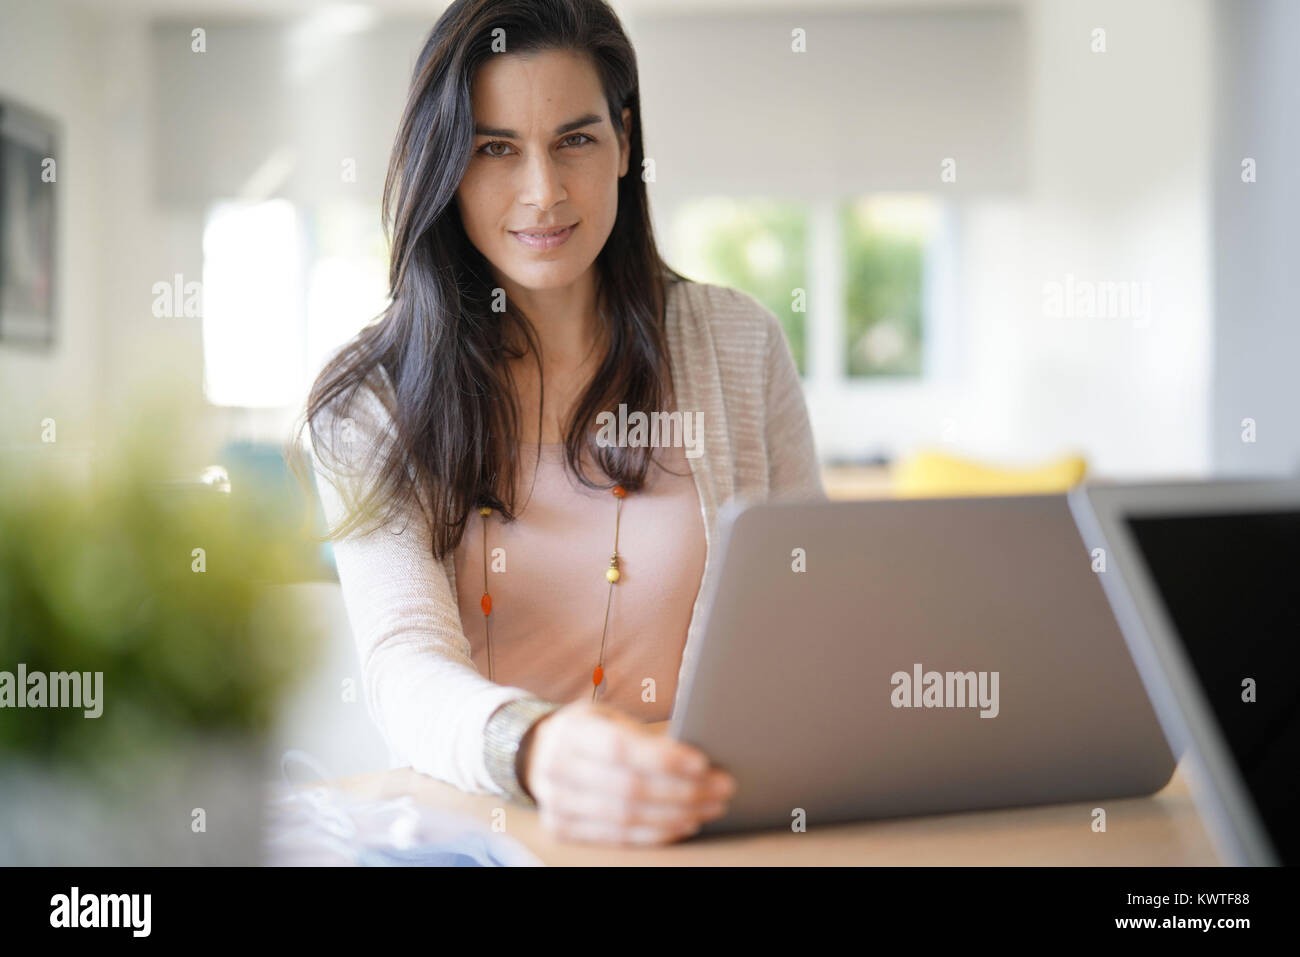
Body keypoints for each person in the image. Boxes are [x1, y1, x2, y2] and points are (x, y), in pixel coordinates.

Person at [296, 0, 824, 847]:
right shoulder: (370, 399)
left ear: (622, 141)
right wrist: (536, 745)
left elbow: (808, 612)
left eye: (574, 139)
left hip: (700, 828)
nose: (543, 193)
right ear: (446, 165)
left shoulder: (738, 343)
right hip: (480, 841)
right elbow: (404, 665)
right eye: (494, 149)